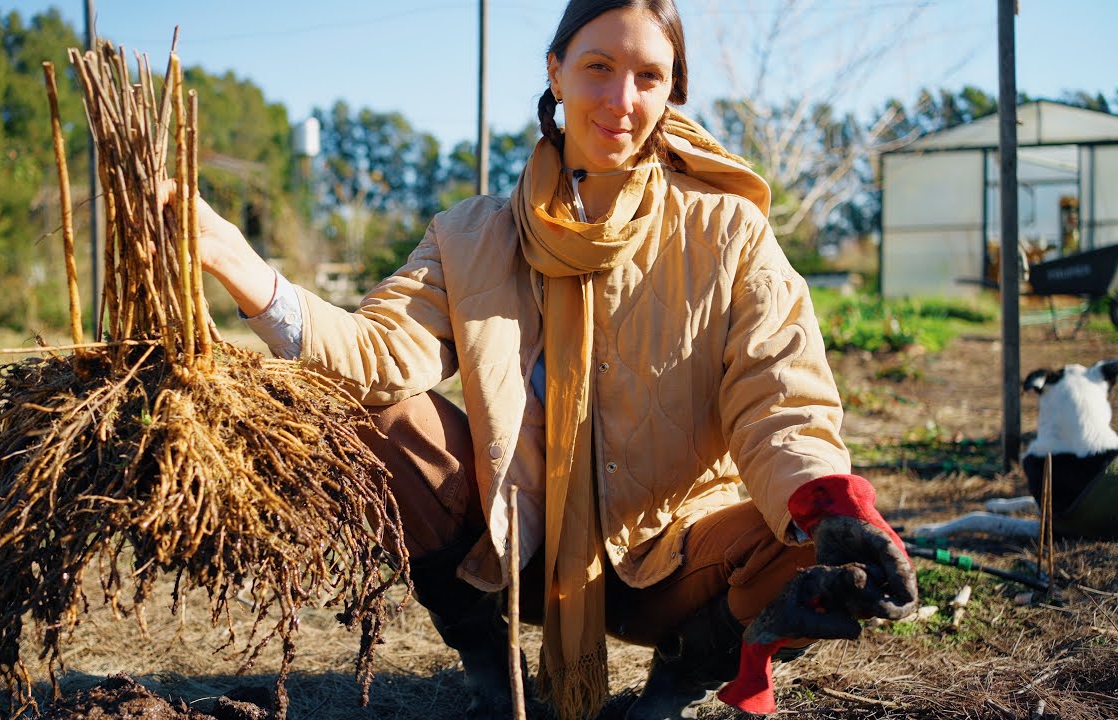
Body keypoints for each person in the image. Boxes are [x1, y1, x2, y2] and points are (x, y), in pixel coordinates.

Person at [179, 1, 918, 718]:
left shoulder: (729, 234)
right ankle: (487, 664)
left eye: (649, 77)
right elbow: (377, 356)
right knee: (389, 421)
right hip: (516, 548)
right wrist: (234, 259)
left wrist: (824, 502)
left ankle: (675, 686)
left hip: (675, 557)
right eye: (598, 67)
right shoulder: (472, 237)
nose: (621, 99)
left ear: (673, 92)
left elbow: (780, 400)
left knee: (815, 538)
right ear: (555, 73)